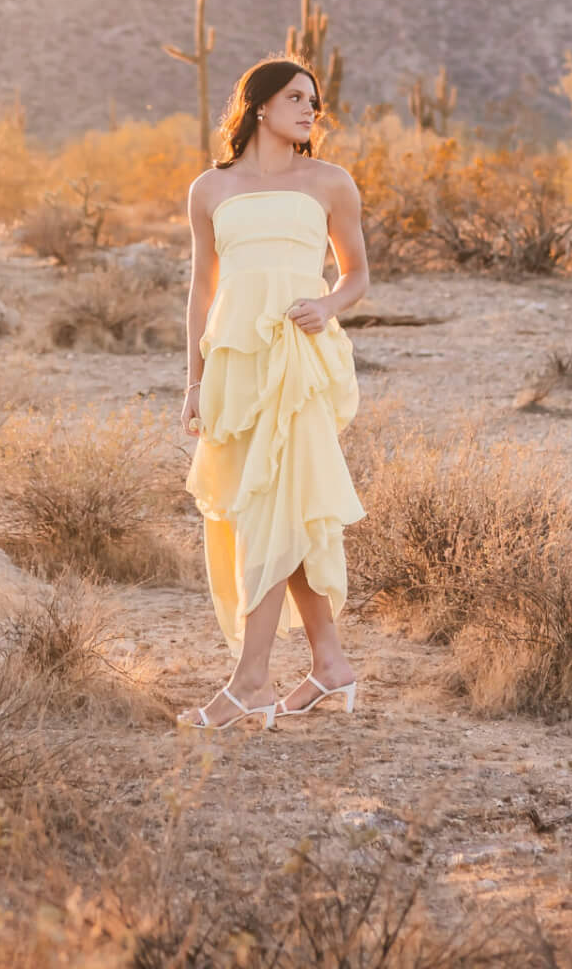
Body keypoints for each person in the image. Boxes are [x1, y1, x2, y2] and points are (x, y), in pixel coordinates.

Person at [178, 57, 368, 730]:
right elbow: (203, 290)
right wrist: (195, 381)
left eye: (313, 101)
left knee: (276, 509)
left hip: (297, 362)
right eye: (295, 97)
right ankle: (330, 667)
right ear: (260, 106)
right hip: (236, 366)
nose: (309, 109)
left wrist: (328, 307)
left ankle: (250, 683)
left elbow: (356, 275)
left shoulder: (329, 182)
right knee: (268, 505)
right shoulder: (211, 188)